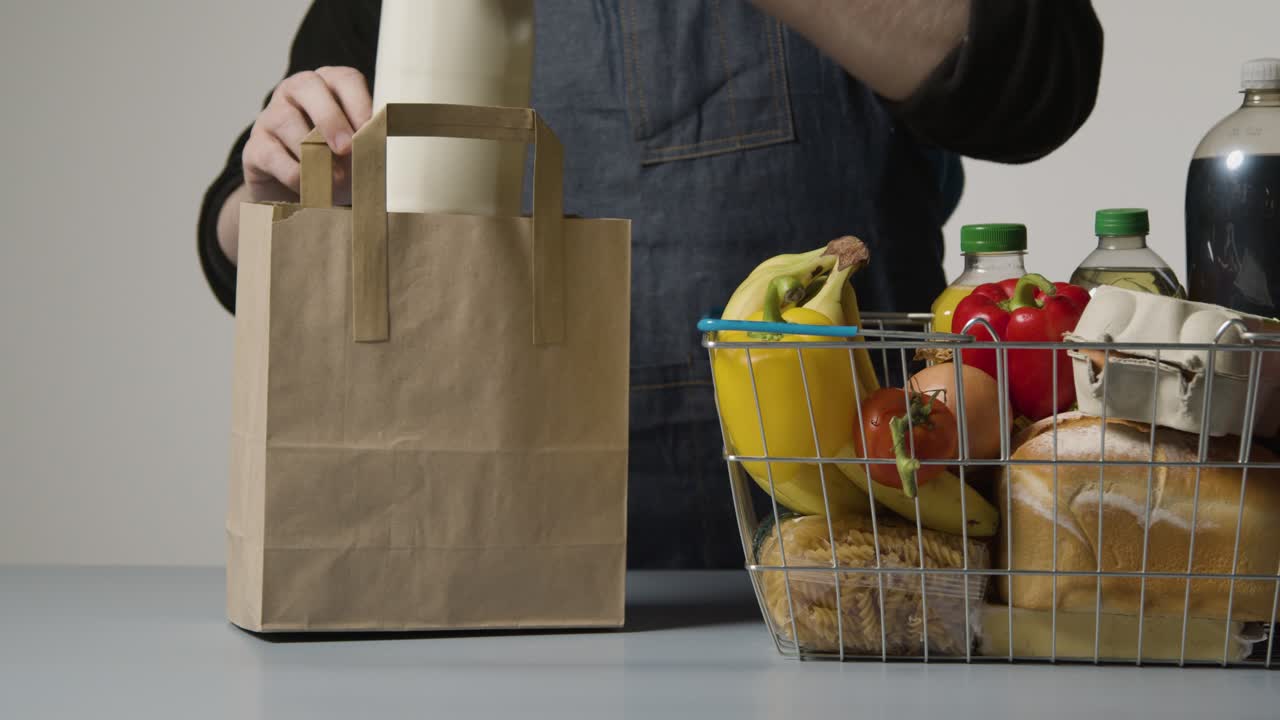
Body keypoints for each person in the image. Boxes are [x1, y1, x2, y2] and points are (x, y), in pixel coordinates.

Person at [199, 1, 1104, 569]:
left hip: (864, 564)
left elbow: (1038, 78)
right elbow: (238, 245)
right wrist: (277, 193)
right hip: (487, 561)